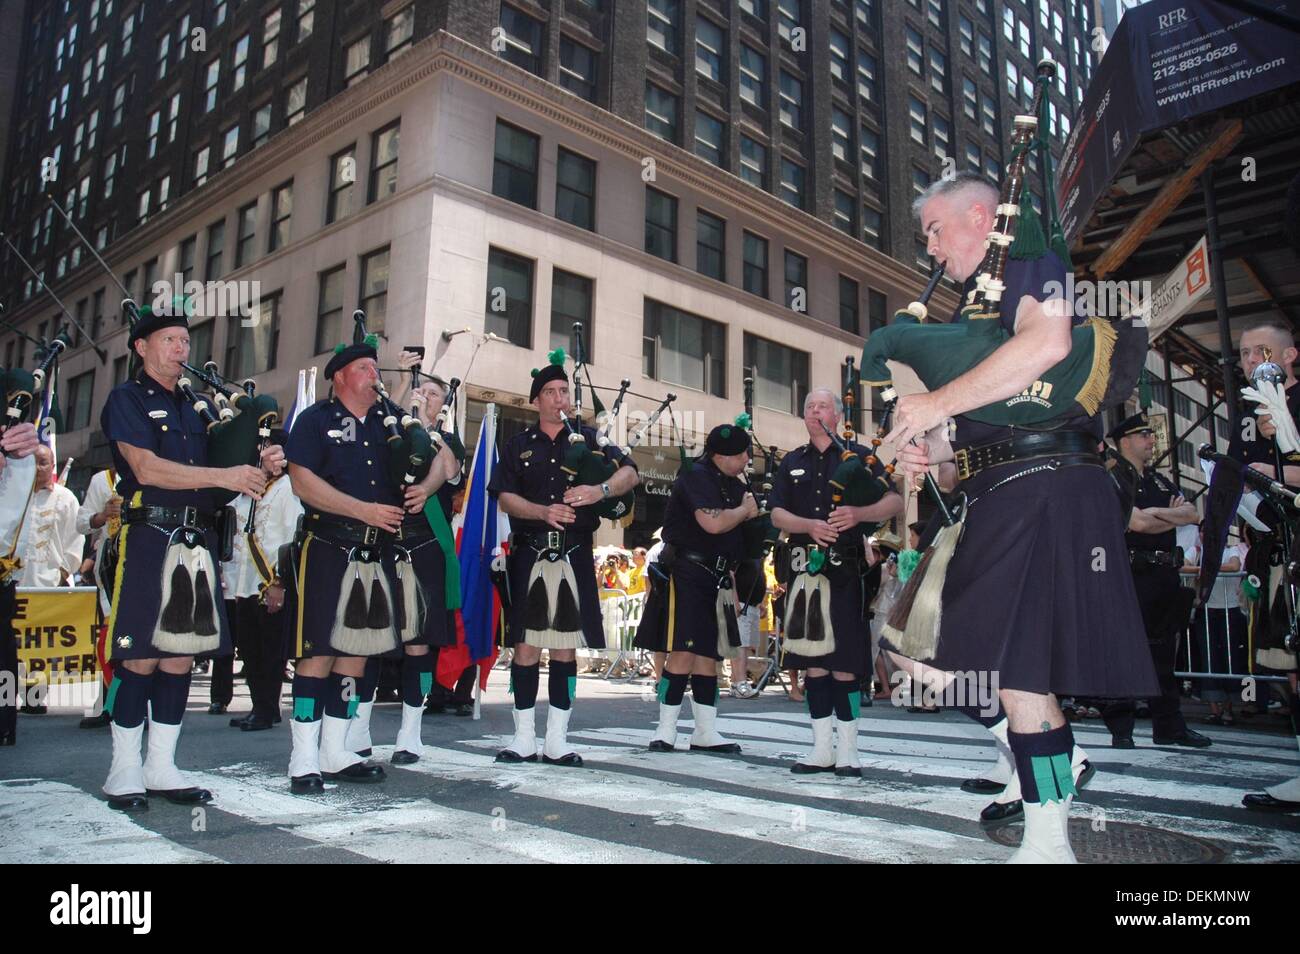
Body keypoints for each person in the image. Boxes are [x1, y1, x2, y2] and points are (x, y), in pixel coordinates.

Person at [887, 173, 1157, 862]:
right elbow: (975, 435)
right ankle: (1057, 785)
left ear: (981, 216)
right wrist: (932, 449)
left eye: (936, 231)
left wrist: (935, 400)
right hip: (998, 493)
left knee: (1013, 674)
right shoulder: (978, 323)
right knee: (948, 662)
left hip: (1045, 484)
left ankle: (1048, 843)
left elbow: (1050, 345)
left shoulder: (1032, 262)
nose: (932, 249)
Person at [99, 305, 285, 812]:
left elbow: (221, 488)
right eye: (171, 340)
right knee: (140, 656)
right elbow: (145, 466)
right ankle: (123, 771)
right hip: (148, 536)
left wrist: (257, 469)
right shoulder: (127, 399)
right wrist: (225, 477)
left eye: (185, 341)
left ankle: (160, 767)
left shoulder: (196, 406)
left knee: (179, 657)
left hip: (195, 540)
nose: (182, 349)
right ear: (142, 347)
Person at [283, 321, 448, 793]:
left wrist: (426, 480)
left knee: (355, 656)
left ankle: (336, 751)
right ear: (339, 376)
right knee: (317, 653)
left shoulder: (389, 423)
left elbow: (436, 462)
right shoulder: (316, 420)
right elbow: (301, 481)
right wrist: (363, 510)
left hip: (377, 553)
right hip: (329, 545)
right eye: (364, 367)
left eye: (376, 367)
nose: (374, 374)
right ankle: (304, 757)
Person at [490, 352, 639, 765]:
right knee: (525, 646)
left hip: (574, 553)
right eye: (551, 392)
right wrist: (542, 512)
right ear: (536, 400)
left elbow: (631, 473)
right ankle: (523, 738)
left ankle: (557, 739)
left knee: (566, 649)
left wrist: (600, 492)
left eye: (564, 392)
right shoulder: (518, 443)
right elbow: (503, 498)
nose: (560, 399)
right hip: (530, 553)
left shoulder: (592, 439)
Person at [770, 388, 903, 774]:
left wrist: (859, 513)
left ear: (840, 415)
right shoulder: (791, 460)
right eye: (809, 406)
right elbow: (776, 513)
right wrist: (807, 525)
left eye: (823, 406)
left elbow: (894, 502)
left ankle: (848, 751)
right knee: (813, 663)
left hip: (845, 572)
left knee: (844, 662)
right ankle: (820, 750)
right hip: (805, 572)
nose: (815, 411)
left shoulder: (860, 457)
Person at [343, 372, 463, 765]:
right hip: (385, 542)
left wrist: (432, 429)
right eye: (421, 391)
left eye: (433, 394)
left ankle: (410, 732)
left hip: (426, 546)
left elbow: (449, 469)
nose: (424, 397)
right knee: (372, 640)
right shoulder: (391, 429)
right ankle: (357, 727)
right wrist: (400, 405)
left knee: (419, 642)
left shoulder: (447, 439)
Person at [634, 419, 757, 754]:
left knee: (708, 655)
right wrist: (745, 510)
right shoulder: (696, 477)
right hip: (688, 571)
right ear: (722, 455)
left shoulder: (732, 482)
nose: (747, 458)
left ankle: (705, 731)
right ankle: (665, 730)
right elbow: (713, 522)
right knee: (684, 650)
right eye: (743, 453)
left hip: (717, 576)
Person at [1102, 412, 1209, 749]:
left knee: (1164, 655)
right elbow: (1137, 524)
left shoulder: (1160, 481)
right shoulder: (1113, 477)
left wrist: (1159, 515)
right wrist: (1168, 515)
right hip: (1130, 575)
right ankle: (1122, 729)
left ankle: (1170, 726)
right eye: (1144, 435)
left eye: (1150, 434)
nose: (1151, 440)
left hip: (1163, 575)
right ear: (1125, 442)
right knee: (1124, 652)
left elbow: (1192, 514)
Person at [224, 428, 302, 731]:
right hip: (242, 584)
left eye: (269, 449)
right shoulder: (247, 493)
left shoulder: (287, 488)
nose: (263, 454)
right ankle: (259, 706)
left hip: (270, 584)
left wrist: (279, 584)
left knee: (270, 653)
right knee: (249, 651)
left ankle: (268, 708)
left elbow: (292, 535)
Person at [0, 413, 42, 745]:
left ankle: (5, 720)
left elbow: (13, 524)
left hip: (6, 571)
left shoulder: (20, 460)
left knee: (6, 651)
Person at [74, 466, 123, 729]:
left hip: (143, 564)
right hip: (109, 568)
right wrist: (102, 516)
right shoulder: (101, 480)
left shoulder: (151, 470)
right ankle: (109, 704)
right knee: (109, 641)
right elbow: (81, 522)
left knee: (131, 641)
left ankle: (132, 703)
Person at [14, 446, 84, 587]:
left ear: (52, 466)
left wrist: (61, 575)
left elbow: (75, 541)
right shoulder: (11, 495)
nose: (37, 467)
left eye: (43, 463)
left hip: (48, 586)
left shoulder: (66, 498)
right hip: (9, 583)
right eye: (32, 462)